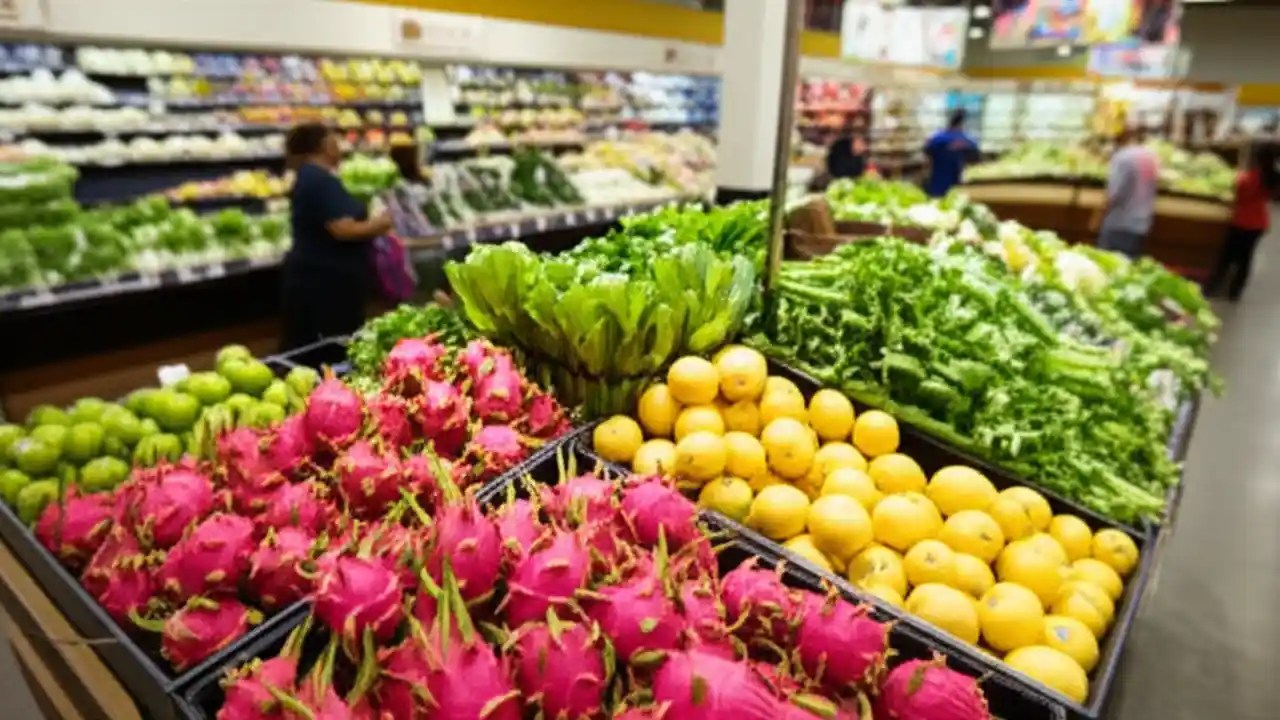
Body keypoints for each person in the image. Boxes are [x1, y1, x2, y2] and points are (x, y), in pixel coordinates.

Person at [280, 123, 392, 358]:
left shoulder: (313, 176)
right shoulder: (318, 179)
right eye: (335, 139)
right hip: (326, 284)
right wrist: (380, 224)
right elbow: (342, 229)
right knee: (328, 349)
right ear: (324, 145)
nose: (340, 145)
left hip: (320, 279)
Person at [1207, 142, 1279, 301]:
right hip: (1259, 224)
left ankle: (1213, 288)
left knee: (1226, 257)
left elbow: (1237, 195)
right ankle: (1235, 292)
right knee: (1245, 259)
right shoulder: (1271, 177)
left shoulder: (1248, 178)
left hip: (1241, 222)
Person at [1094, 127, 1159, 259]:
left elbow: (1114, 193)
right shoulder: (1151, 157)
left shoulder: (1123, 158)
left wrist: (1097, 217)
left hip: (1118, 223)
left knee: (1107, 265)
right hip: (1141, 224)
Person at [923, 110, 979, 198]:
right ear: (962, 123)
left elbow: (927, 153)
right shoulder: (967, 140)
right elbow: (975, 159)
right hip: (956, 182)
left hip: (937, 181)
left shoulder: (936, 139)